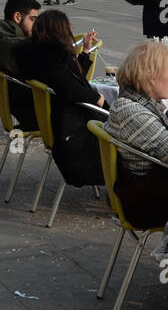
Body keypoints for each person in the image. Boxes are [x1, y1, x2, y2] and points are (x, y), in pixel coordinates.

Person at [105, 41, 168, 228]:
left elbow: (160, 147)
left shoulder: (132, 103)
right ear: (151, 76)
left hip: (146, 192)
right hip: (150, 203)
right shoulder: (134, 112)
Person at [12, 10, 104, 187]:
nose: (71, 29)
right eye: (67, 26)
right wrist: (97, 98)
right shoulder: (54, 54)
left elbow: (71, 78)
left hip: (51, 119)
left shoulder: (37, 54)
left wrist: (84, 51)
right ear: (59, 30)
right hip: (71, 124)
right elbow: (70, 88)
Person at [0, 0, 42, 129]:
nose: (37, 25)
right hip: (37, 114)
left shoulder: (2, 41)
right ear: (18, 17)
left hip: (23, 110)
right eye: (33, 19)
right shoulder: (16, 47)